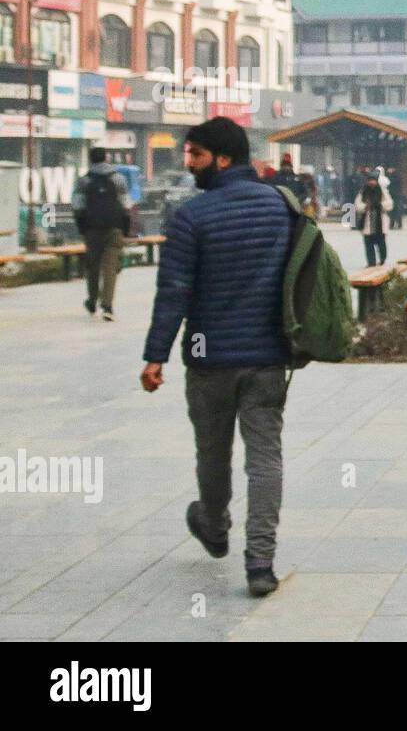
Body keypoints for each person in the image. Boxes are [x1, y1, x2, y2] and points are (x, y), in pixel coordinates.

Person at [139, 117, 292, 598]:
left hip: (209, 358)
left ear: (223, 158)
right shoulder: (282, 207)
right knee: (265, 458)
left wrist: (154, 356)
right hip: (268, 357)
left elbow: (174, 293)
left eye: (196, 155)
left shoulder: (192, 216)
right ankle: (261, 564)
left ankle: (214, 524)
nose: (189, 164)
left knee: (213, 450)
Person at [71, 146, 132, 321]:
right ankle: (107, 305)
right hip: (115, 228)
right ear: (106, 158)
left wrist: (82, 228)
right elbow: (126, 205)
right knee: (110, 267)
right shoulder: (118, 179)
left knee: (93, 266)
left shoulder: (84, 181)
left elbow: (78, 206)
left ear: (90, 159)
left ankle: (92, 300)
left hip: (92, 228)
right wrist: (125, 229)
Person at [354, 171, 393, 266]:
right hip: (367, 221)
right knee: (368, 244)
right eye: (370, 180)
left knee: (381, 244)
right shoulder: (363, 191)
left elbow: (389, 204)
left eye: (373, 180)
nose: (371, 183)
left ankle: (382, 259)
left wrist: (380, 205)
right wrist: (365, 206)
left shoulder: (382, 191)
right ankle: (371, 263)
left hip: (380, 222)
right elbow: (357, 205)